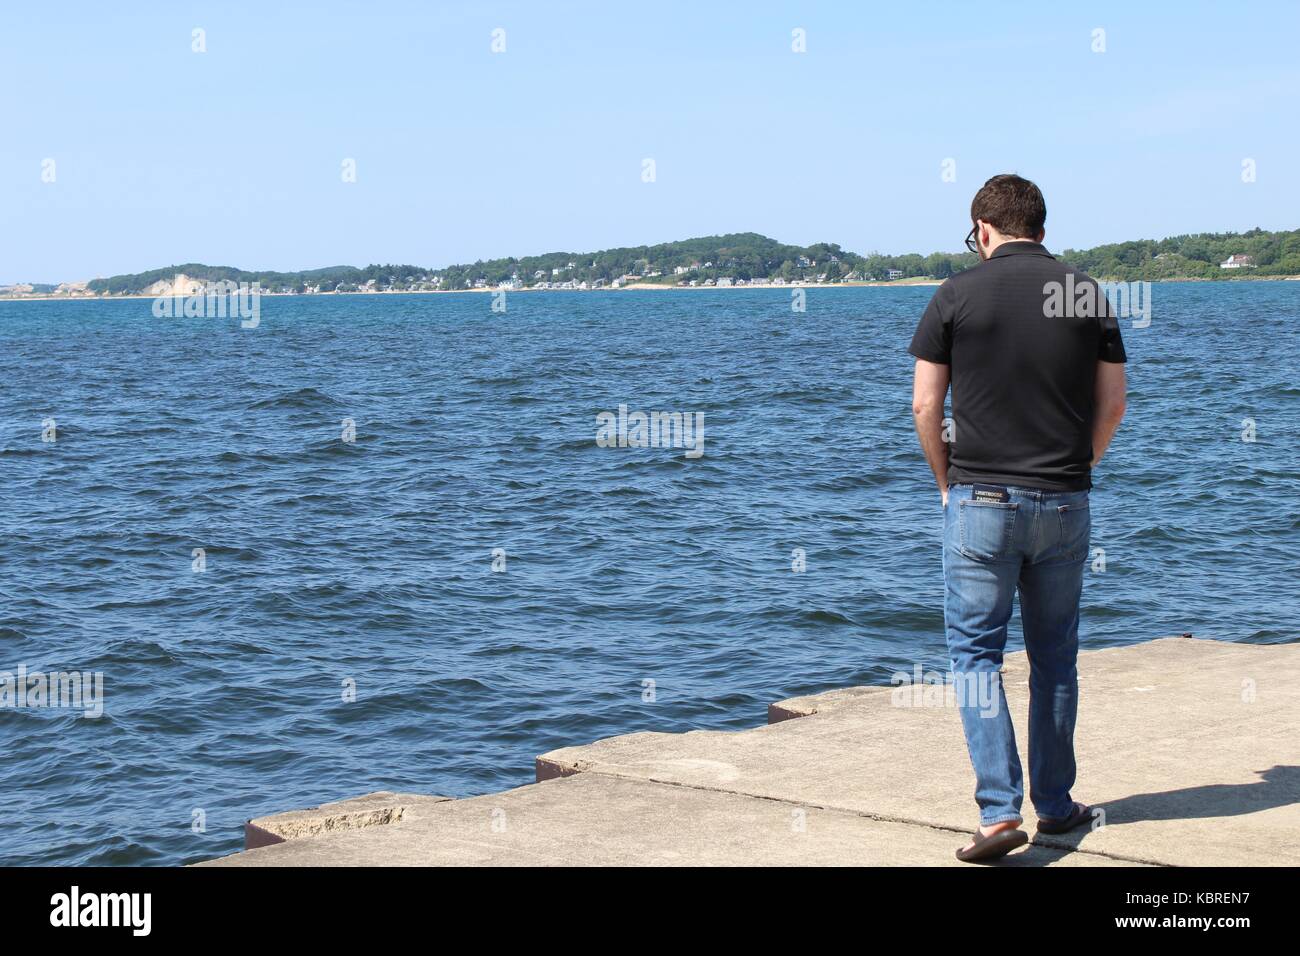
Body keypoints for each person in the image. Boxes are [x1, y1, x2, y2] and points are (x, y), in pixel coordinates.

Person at [908, 173, 1128, 862]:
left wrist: (947, 482)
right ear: (1039, 224)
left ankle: (999, 813)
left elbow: (923, 408)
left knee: (976, 655)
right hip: (1066, 500)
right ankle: (1057, 807)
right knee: (1055, 657)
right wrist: (1076, 470)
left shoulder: (955, 295)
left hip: (981, 502)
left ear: (982, 230)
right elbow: (1114, 404)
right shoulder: (1084, 292)